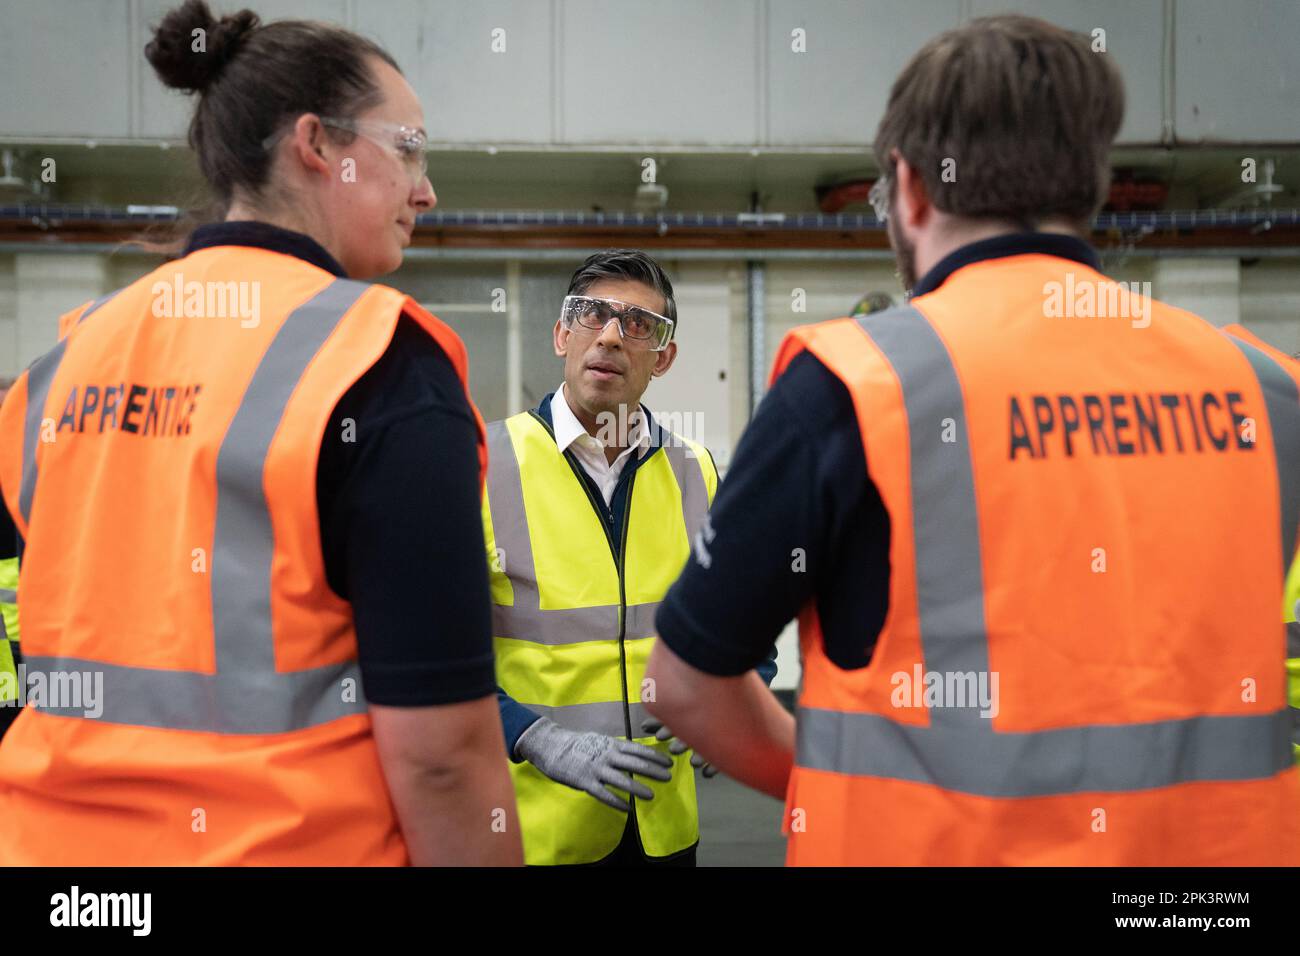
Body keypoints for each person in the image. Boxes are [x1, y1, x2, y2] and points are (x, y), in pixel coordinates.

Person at [645, 14, 1300, 865]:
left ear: (911, 189)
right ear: (1091, 186)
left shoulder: (857, 382)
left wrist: (828, 782)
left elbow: (686, 681)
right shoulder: (1264, 387)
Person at [0, 0, 521, 866]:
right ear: (316, 145)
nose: (426, 189)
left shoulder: (69, 356)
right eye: (408, 149)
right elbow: (441, 760)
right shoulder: (377, 360)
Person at [484, 250, 776, 865]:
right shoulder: (482, 465)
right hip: (534, 827)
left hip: (663, 827)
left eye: (638, 325)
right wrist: (531, 736)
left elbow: (746, 630)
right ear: (563, 334)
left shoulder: (694, 470)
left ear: (663, 358)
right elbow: (432, 651)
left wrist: (732, 700)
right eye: (592, 316)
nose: (612, 337)